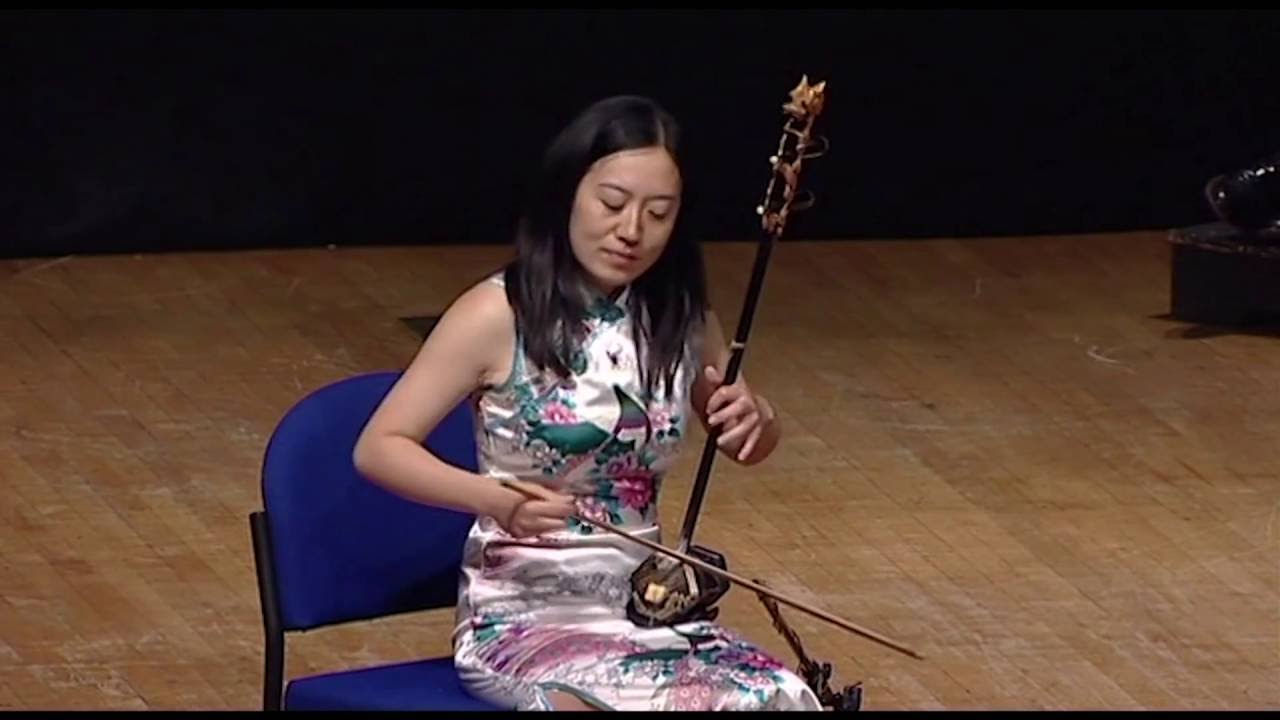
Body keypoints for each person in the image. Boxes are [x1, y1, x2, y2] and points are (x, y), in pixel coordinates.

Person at [353, 94, 823, 711]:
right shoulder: (498, 313)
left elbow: (745, 444)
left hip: (647, 607)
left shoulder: (679, 319)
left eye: (658, 213)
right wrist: (492, 499)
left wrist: (759, 418)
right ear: (568, 193)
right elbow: (379, 448)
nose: (632, 231)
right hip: (526, 616)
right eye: (612, 203)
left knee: (780, 696)